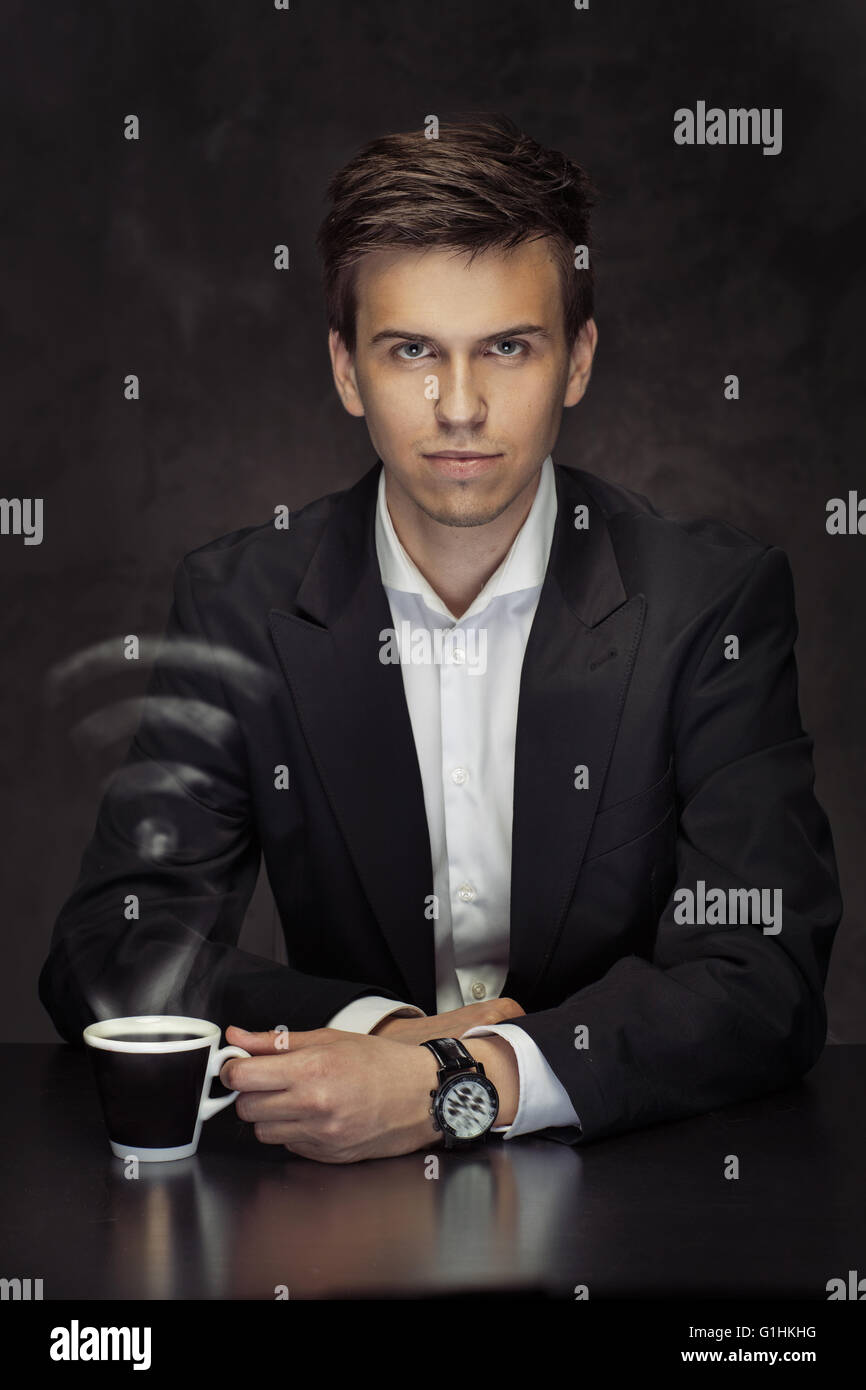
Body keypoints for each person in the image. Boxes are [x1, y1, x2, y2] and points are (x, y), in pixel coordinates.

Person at [39, 114, 843, 1163]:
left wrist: (456, 1081)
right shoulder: (241, 598)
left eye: (506, 347)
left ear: (577, 361)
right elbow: (110, 942)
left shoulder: (708, 599)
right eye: (410, 349)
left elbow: (763, 972)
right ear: (344, 370)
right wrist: (373, 1032)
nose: (457, 406)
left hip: (637, 1189)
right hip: (326, 1210)